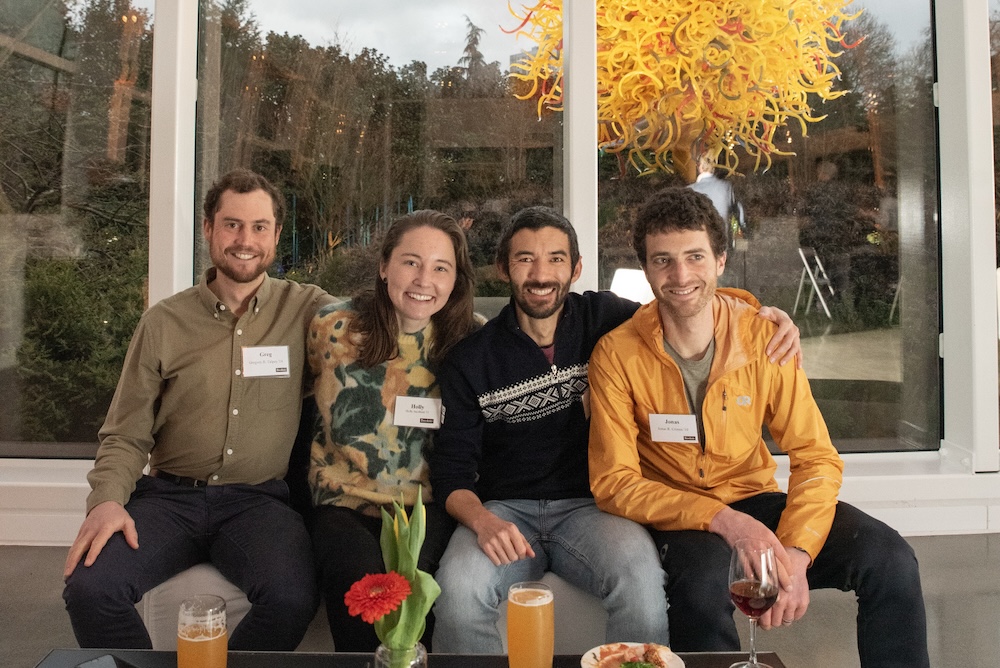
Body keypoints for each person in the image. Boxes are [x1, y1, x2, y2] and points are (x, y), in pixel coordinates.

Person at [429, 206, 802, 653]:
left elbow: (685, 302)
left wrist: (763, 315)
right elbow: (451, 472)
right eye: (525, 259)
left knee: (643, 585)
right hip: (504, 511)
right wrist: (484, 522)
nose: (541, 273)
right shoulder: (471, 359)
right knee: (457, 594)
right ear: (503, 268)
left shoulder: (606, 317)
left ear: (577, 267)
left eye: (556, 258)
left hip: (596, 510)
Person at [587, 187, 929, 667]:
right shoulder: (617, 354)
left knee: (889, 558)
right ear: (646, 269)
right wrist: (726, 521)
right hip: (681, 514)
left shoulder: (765, 339)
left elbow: (815, 456)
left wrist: (796, 550)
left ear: (721, 260)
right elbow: (614, 483)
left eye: (694, 256)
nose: (680, 275)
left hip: (755, 498)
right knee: (703, 585)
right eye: (662, 260)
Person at [62, 169, 332, 650]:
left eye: (259, 227)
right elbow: (126, 432)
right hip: (169, 500)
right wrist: (105, 500)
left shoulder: (308, 310)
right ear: (207, 228)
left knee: (292, 598)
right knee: (90, 588)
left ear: (275, 235)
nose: (245, 240)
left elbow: (386, 322)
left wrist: (472, 333)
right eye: (231, 224)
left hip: (258, 503)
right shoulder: (163, 322)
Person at [308, 211, 479, 650]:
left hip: (425, 506)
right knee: (361, 583)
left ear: (456, 279)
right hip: (343, 500)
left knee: (417, 585)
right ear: (384, 266)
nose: (424, 279)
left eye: (441, 267)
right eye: (411, 262)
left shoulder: (469, 342)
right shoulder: (332, 328)